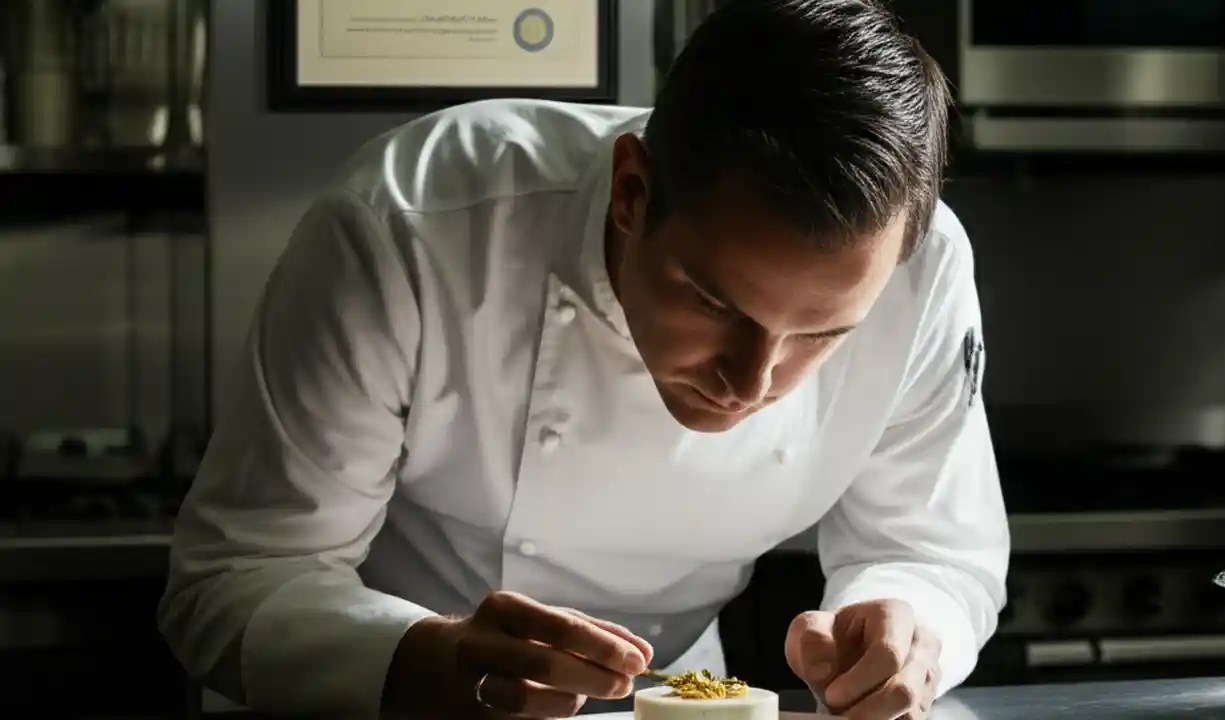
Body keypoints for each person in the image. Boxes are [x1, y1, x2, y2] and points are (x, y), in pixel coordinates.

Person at [158, 1, 1009, 718]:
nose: (752, 381)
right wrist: (416, 657)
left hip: (679, 703)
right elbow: (233, 582)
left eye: (821, 335)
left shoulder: (921, 269)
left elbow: (934, 554)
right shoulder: (412, 229)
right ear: (633, 192)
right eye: (716, 305)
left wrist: (903, 628)